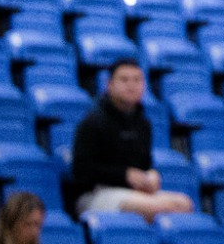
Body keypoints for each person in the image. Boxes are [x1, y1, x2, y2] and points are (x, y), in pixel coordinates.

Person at [69, 60, 193, 216]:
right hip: (96, 193)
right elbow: (81, 171)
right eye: (124, 79)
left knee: (184, 203)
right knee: (156, 207)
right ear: (109, 84)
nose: (131, 85)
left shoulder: (143, 124)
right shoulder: (92, 122)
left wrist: (150, 176)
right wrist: (124, 175)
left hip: (132, 193)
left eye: (137, 80)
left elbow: (144, 164)